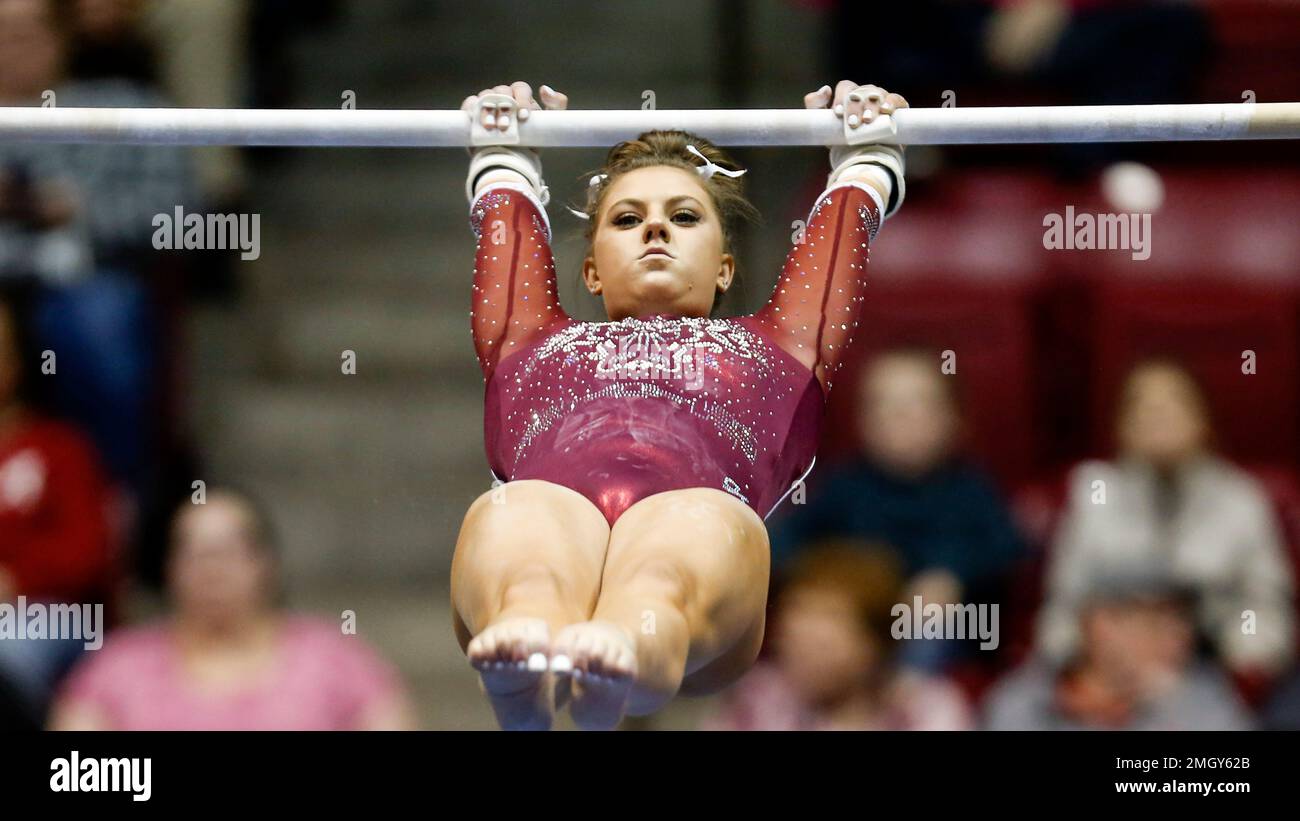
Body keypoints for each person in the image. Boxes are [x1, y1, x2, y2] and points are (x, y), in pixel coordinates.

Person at [451, 80, 908, 730]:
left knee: (674, 542)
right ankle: (528, 652)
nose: (657, 226)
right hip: (550, 517)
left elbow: (842, 229)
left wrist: (866, 150)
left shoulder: (778, 348)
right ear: (591, 271)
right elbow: (507, 223)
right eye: (627, 218)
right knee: (523, 518)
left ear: (725, 268)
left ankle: (624, 652)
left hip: (704, 560)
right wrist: (504, 150)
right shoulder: (527, 340)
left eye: (685, 216)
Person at [48, 488, 415, 730]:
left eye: (229, 551)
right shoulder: (118, 666)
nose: (212, 569)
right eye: (195, 553)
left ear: (265, 562)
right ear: (169, 568)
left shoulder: (334, 660)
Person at [767, 347, 1025, 672]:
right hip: (858, 622)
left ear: (954, 420)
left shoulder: (972, 490)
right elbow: (785, 540)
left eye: (916, 405)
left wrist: (953, 576)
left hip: (932, 628)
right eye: (882, 405)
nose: (898, 418)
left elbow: (1006, 549)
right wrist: (826, 578)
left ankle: (905, 706)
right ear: (862, 421)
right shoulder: (845, 484)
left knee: (931, 616)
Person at [1035, 358, 1295, 678]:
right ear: (1120, 425)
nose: (1157, 413)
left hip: (1212, 668)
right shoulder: (1094, 496)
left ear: (1203, 420)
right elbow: (1063, 608)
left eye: (1173, 402)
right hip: (1108, 676)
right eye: (1141, 404)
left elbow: (1265, 607)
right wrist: (1083, 659)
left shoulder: (1241, 499)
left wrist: (1239, 652)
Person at [701, 540, 972, 731]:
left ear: (877, 643)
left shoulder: (929, 708)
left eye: (824, 646)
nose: (805, 659)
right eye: (795, 643)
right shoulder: (757, 698)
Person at [0, 285, 113, 720]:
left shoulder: (60, 449)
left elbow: (87, 555)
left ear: (18, 358)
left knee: (10, 645)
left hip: (50, 612)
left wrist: (13, 580)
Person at [985, 567, 1253, 730]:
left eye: (1182, 620)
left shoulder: (1203, 699)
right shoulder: (1026, 701)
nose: (1177, 636)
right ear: (1098, 624)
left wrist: (1176, 709)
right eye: (1154, 620)